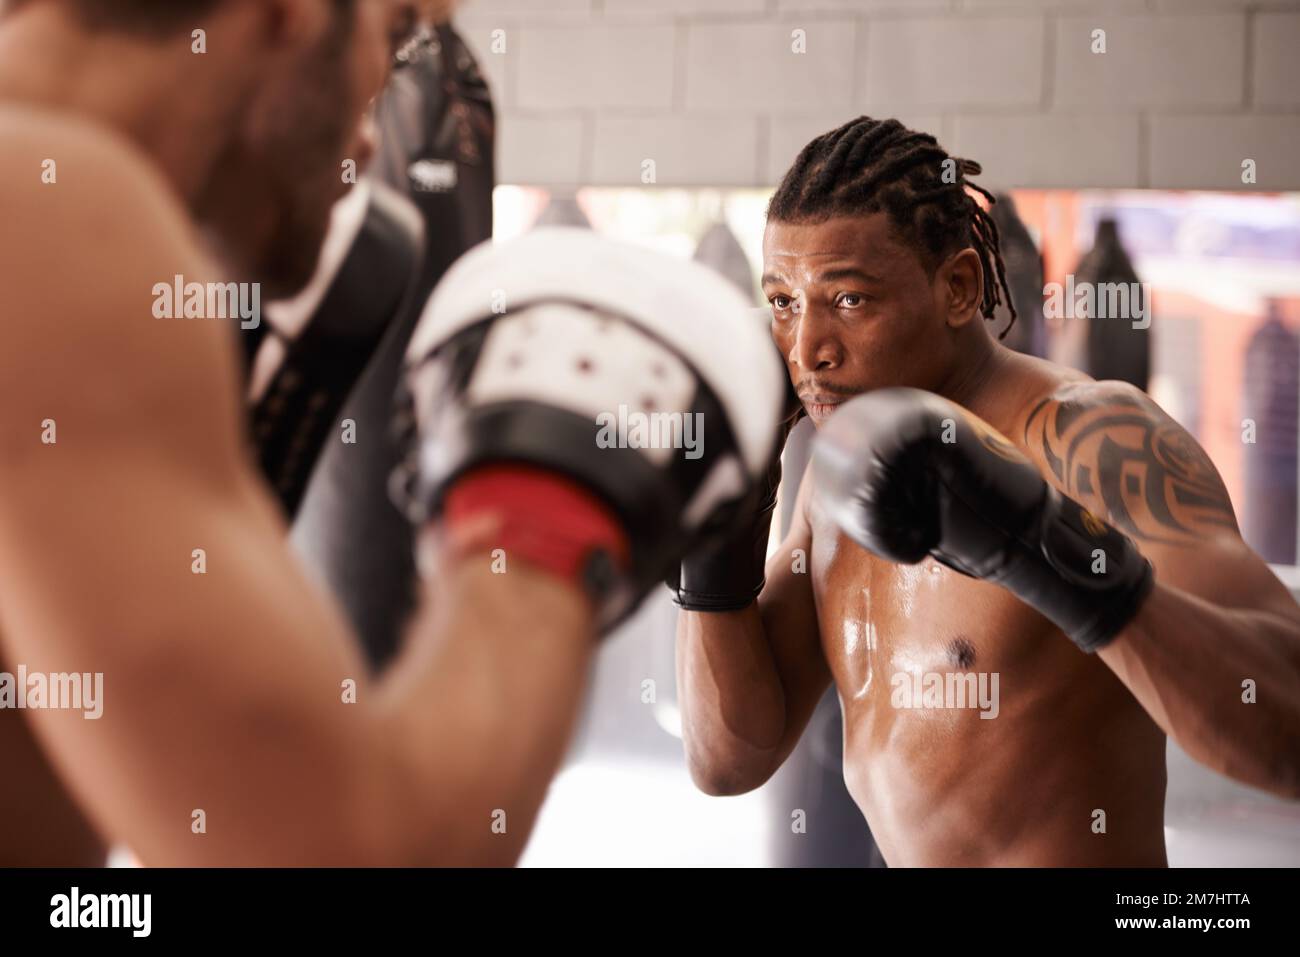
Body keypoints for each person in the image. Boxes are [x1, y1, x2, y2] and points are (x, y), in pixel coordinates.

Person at [0, 0, 783, 865]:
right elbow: (345, 853)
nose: (372, 137)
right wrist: (541, 513)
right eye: (397, 37)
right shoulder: (55, 214)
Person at [673, 116, 1300, 867]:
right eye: (783, 302)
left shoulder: (1088, 440)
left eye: (846, 301)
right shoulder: (838, 472)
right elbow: (728, 759)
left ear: (960, 288)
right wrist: (715, 522)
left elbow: (1286, 730)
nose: (808, 349)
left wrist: (1048, 550)